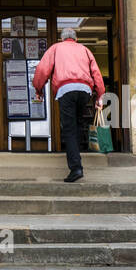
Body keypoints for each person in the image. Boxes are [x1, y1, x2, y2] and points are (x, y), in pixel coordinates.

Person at [32, 27, 106, 182]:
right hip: (85, 90)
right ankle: (77, 156)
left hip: (66, 89)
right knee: (78, 124)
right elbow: (96, 74)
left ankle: (76, 168)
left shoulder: (56, 48)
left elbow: (42, 70)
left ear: (62, 38)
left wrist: (38, 88)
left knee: (69, 128)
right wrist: (100, 95)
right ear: (76, 39)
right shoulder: (85, 50)